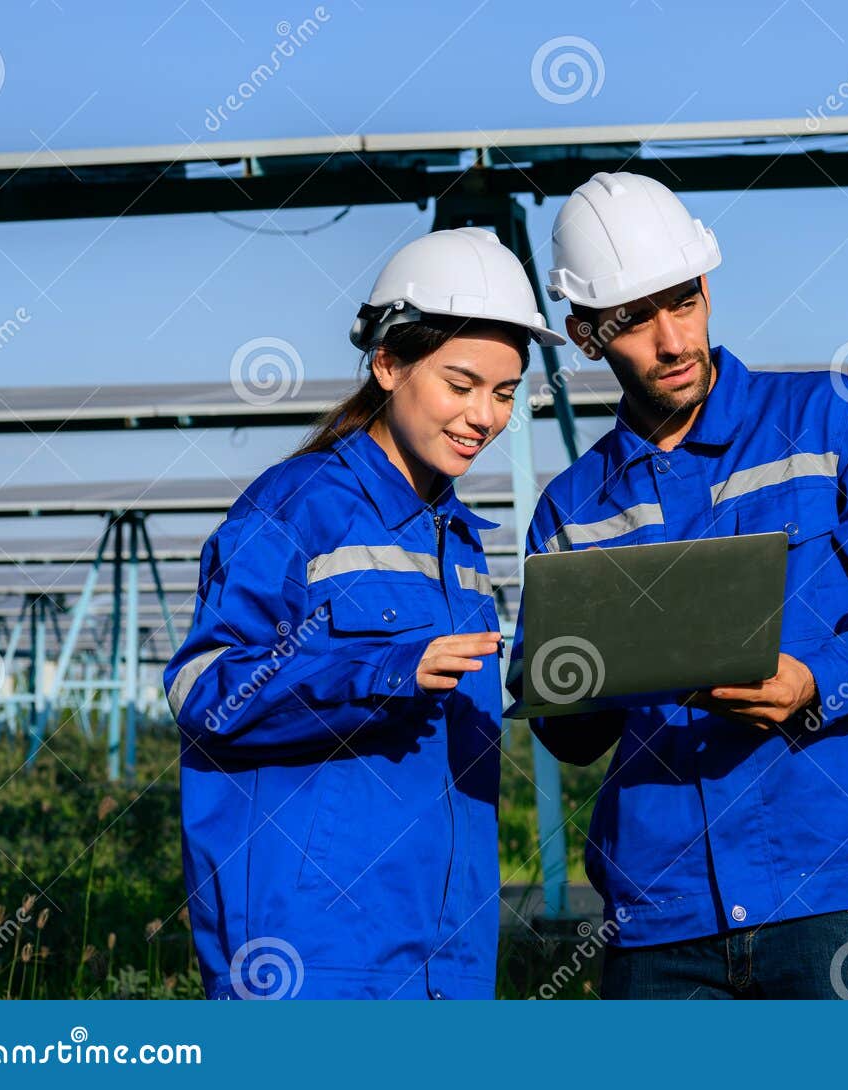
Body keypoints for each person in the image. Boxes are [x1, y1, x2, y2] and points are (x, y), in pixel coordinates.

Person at [506, 172, 848, 999]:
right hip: (661, 909)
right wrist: (568, 680)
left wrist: (817, 682)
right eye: (634, 321)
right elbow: (573, 736)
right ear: (583, 335)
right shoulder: (571, 509)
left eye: (682, 303)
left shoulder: (833, 419)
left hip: (833, 887)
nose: (672, 340)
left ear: (707, 287)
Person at [165, 227, 564, 999]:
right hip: (315, 956)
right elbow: (203, 691)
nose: (484, 415)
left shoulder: (460, 545)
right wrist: (383, 671)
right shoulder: (293, 510)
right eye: (461, 383)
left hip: (445, 953)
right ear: (388, 364)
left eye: (505, 392)